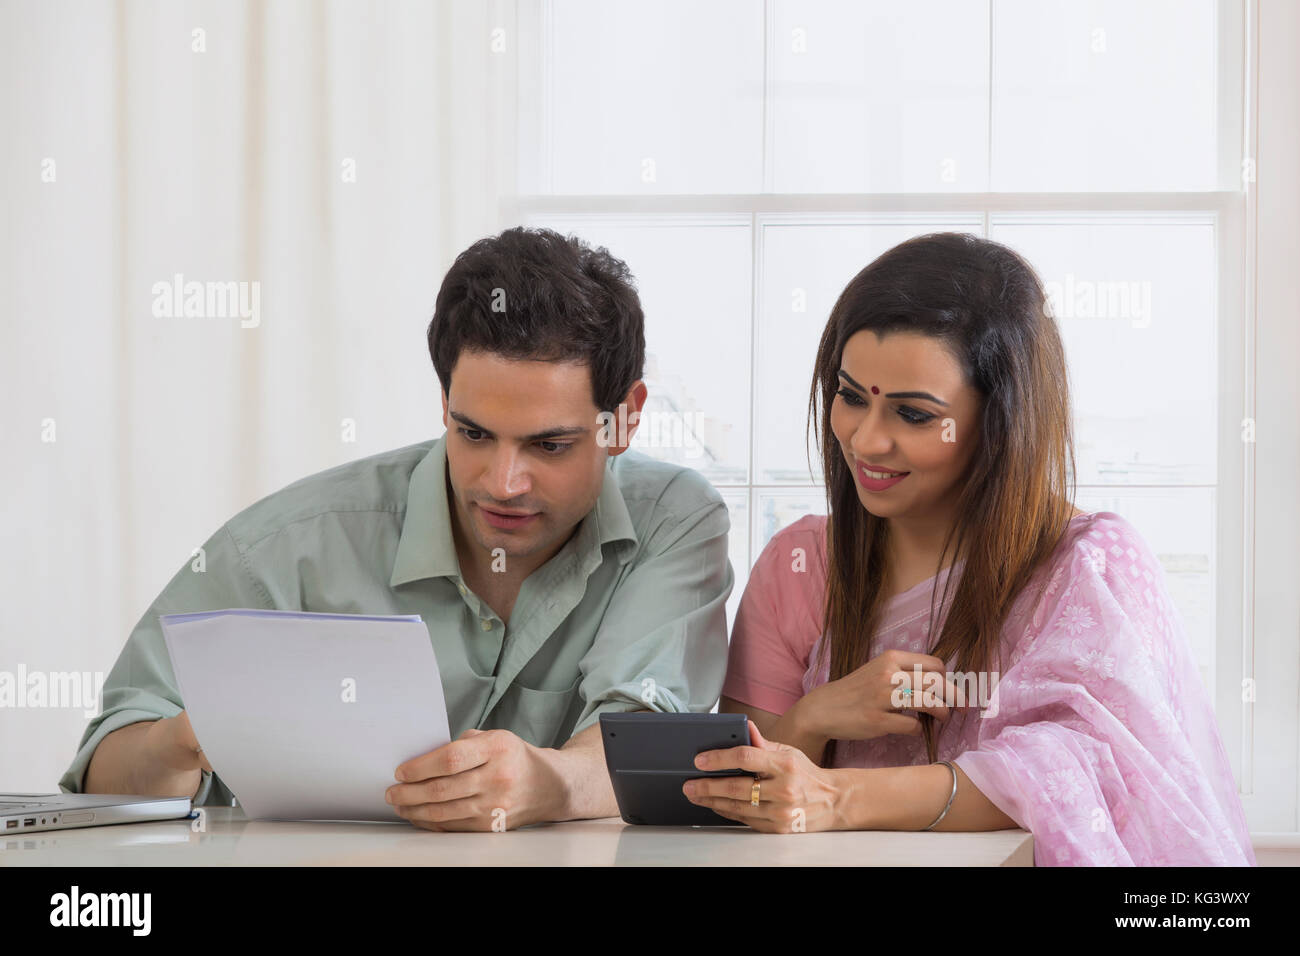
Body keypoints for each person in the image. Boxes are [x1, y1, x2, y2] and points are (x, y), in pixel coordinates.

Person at [59, 226, 733, 831]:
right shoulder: (287, 546)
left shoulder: (674, 521)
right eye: (472, 433)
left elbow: (642, 742)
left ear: (627, 415)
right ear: (444, 401)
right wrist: (184, 740)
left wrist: (549, 784)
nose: (503, 483)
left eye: (548, 445)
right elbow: (103, 779)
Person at [691, 232, 1255, 866]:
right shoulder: (799, 565)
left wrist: (843, 795)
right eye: (851, 398)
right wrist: (820, 714)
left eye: (913, 415)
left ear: (1000, 421)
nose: (867, 441)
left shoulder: (1087, 566)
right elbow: (733, 788)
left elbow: (1088, 771)